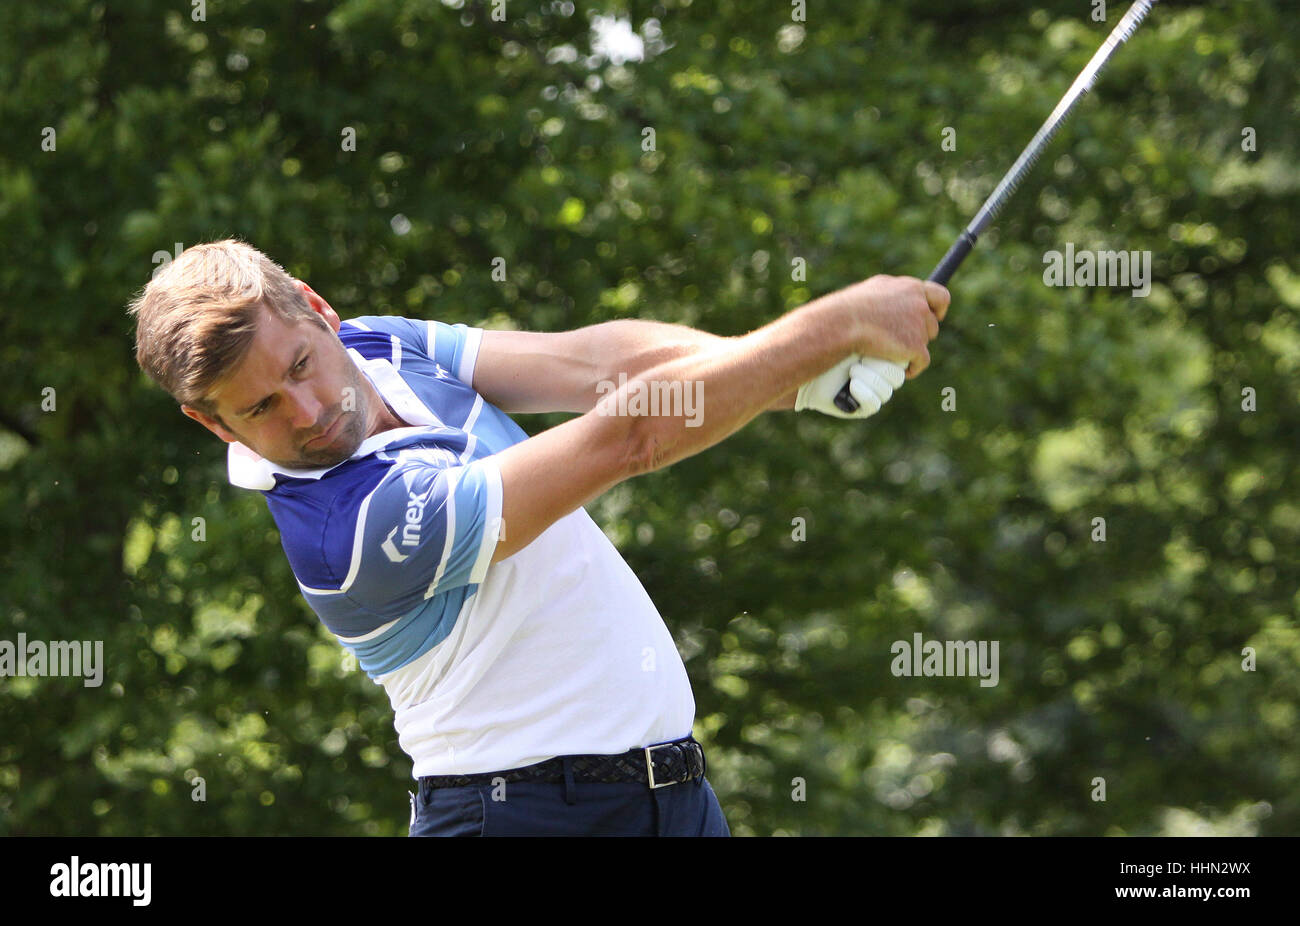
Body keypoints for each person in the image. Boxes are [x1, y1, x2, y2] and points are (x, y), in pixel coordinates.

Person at [128, 238, 948, 836]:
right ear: (211, 424)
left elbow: (586, 363)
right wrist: (827, 331)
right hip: (516, 818)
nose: (306, 413)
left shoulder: (377, 346)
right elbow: (627, 436)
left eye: (299, 366)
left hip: (675, 799)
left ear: (317, 310)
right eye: (260, 408)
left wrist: (787, 381)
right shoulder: (348, 531)